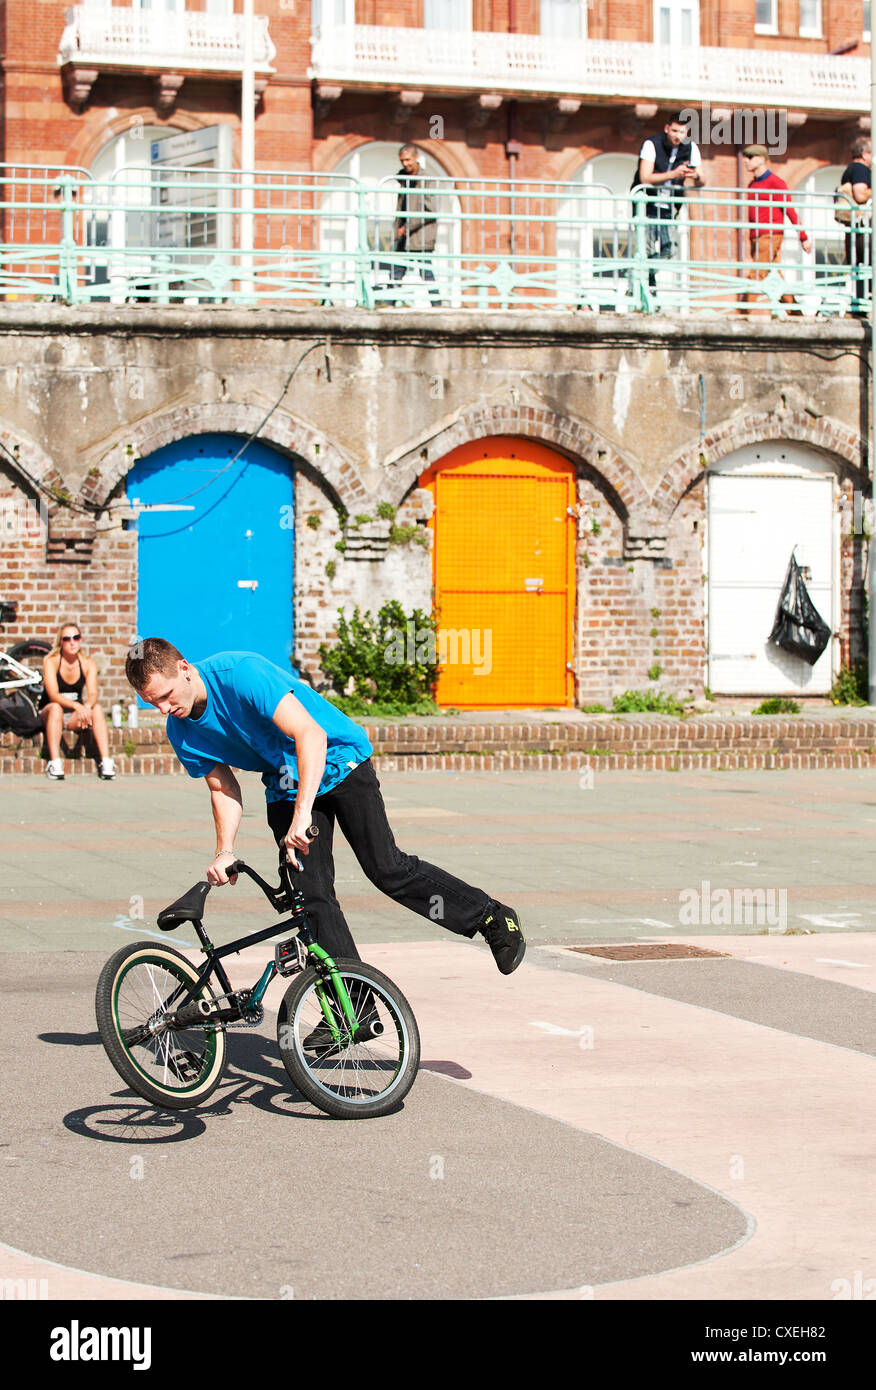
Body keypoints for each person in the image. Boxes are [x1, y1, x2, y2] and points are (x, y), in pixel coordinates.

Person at [125, 641, 525, 995]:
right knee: (309, 895)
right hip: (285, 782)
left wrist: (301, 817)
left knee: (387, 868)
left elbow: (310, 735)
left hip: (338, 761)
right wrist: (224, 850)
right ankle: (354, 1008)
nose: (163, 708)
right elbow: (223, 788)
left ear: (184, 669)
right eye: (152, 702)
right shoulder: (181, 731)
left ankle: (492, 918)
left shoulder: (241, 673)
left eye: (165, 695)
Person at [633, 113, 705, 291]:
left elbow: (702, 180)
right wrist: (673, 174)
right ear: (667, 128)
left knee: (670, 248)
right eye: (674, 131)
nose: (678, 136)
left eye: (682, 132)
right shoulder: (652, 144)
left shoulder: (691, 148)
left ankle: (640, 274)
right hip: (647, 203)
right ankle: (649, 294)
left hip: (670, 205)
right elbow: (645, 177)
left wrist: (695, 175)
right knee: (646, 250)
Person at [739, 143, 811, 315]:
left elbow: (790, 210)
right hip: (756, 236)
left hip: (770, 234)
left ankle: (742, 313)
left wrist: (803, 236)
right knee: (775, 277)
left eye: (750, 157)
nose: (746, 161)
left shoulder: (776, 182)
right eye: (745, 157)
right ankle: (797, 314)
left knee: (757, 274)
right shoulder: (752, 185)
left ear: (762, 159)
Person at [40, 621, 116, 781]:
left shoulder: (88, 663)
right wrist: (77, 705)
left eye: (76, 637)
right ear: (60, 642)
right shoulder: (51, 661)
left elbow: (93, 693)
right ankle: (54, 763)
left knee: (97, 709)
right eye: (67, 639)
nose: (72, 642)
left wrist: (86, 707)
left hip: (74, 716)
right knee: (55, 708)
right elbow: (53, 694)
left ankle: (106, 762)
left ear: (81, 640)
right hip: (51, 714)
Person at [389, 144, 442, 306]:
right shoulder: (404, 179)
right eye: (402, 160)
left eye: (408, 159)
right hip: (404, 234)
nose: (405, 164)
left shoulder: (426, 180)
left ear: (416, 158)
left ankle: (437, 303)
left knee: (425, 271)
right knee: (397, 268)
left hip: (420, 234)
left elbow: (430, 210)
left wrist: (407, 226)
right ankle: (389, 301)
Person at [838, 135, 871, 316]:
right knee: (867, 264)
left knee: (862, 267)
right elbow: (860, 194)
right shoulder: (859, 169)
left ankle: (860, 306)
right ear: (864, 154)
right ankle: (864, 305)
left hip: (856, 227)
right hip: (863, 227)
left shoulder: (850, 168)